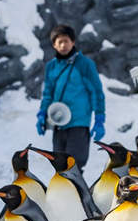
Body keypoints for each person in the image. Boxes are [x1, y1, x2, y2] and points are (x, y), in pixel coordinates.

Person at [36, 24, 105, 170]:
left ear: (73, 42)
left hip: (78, 123)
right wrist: (42, 114)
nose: (63, 45)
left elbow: (96, 92)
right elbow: (48, 93)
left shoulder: (85, 64)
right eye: (59, 42)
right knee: (59, 167)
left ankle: (77, 193)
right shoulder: (51, 67)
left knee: (74, 166)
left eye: (66, 41)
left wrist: (99, 118)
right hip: (58, 122)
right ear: (54, 45)